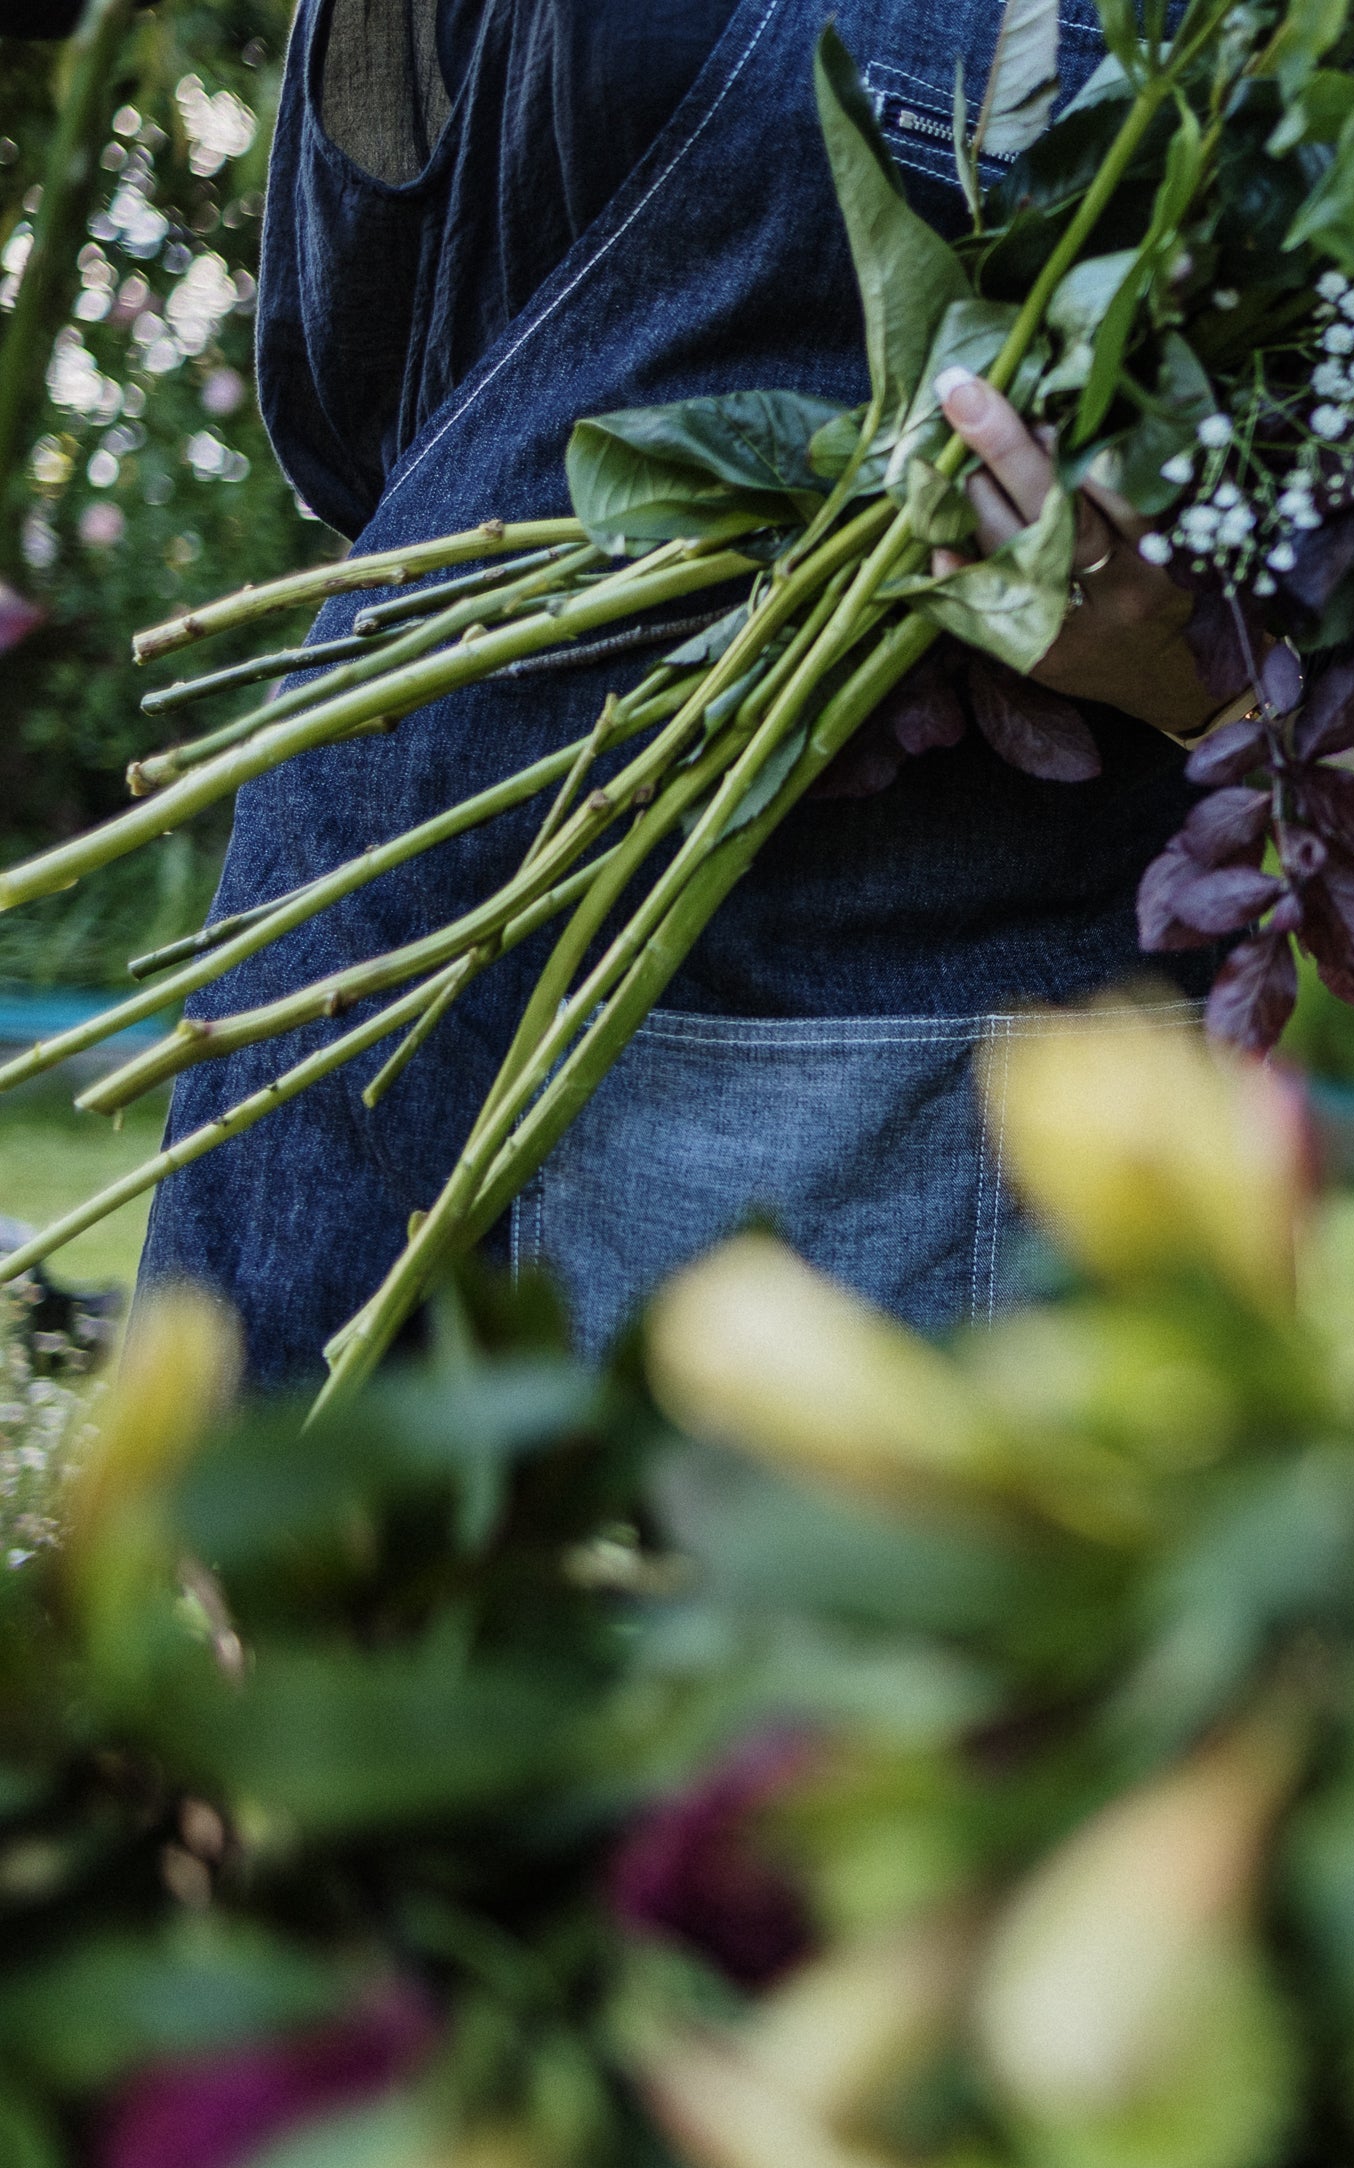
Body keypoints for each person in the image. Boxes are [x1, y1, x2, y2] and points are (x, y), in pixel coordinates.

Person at [142, 0, 1228, 1379]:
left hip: (892, 1085)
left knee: (760, 1592)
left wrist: (1188, 670)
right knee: (284, 1574)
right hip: (365, 971)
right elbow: (357, 385)